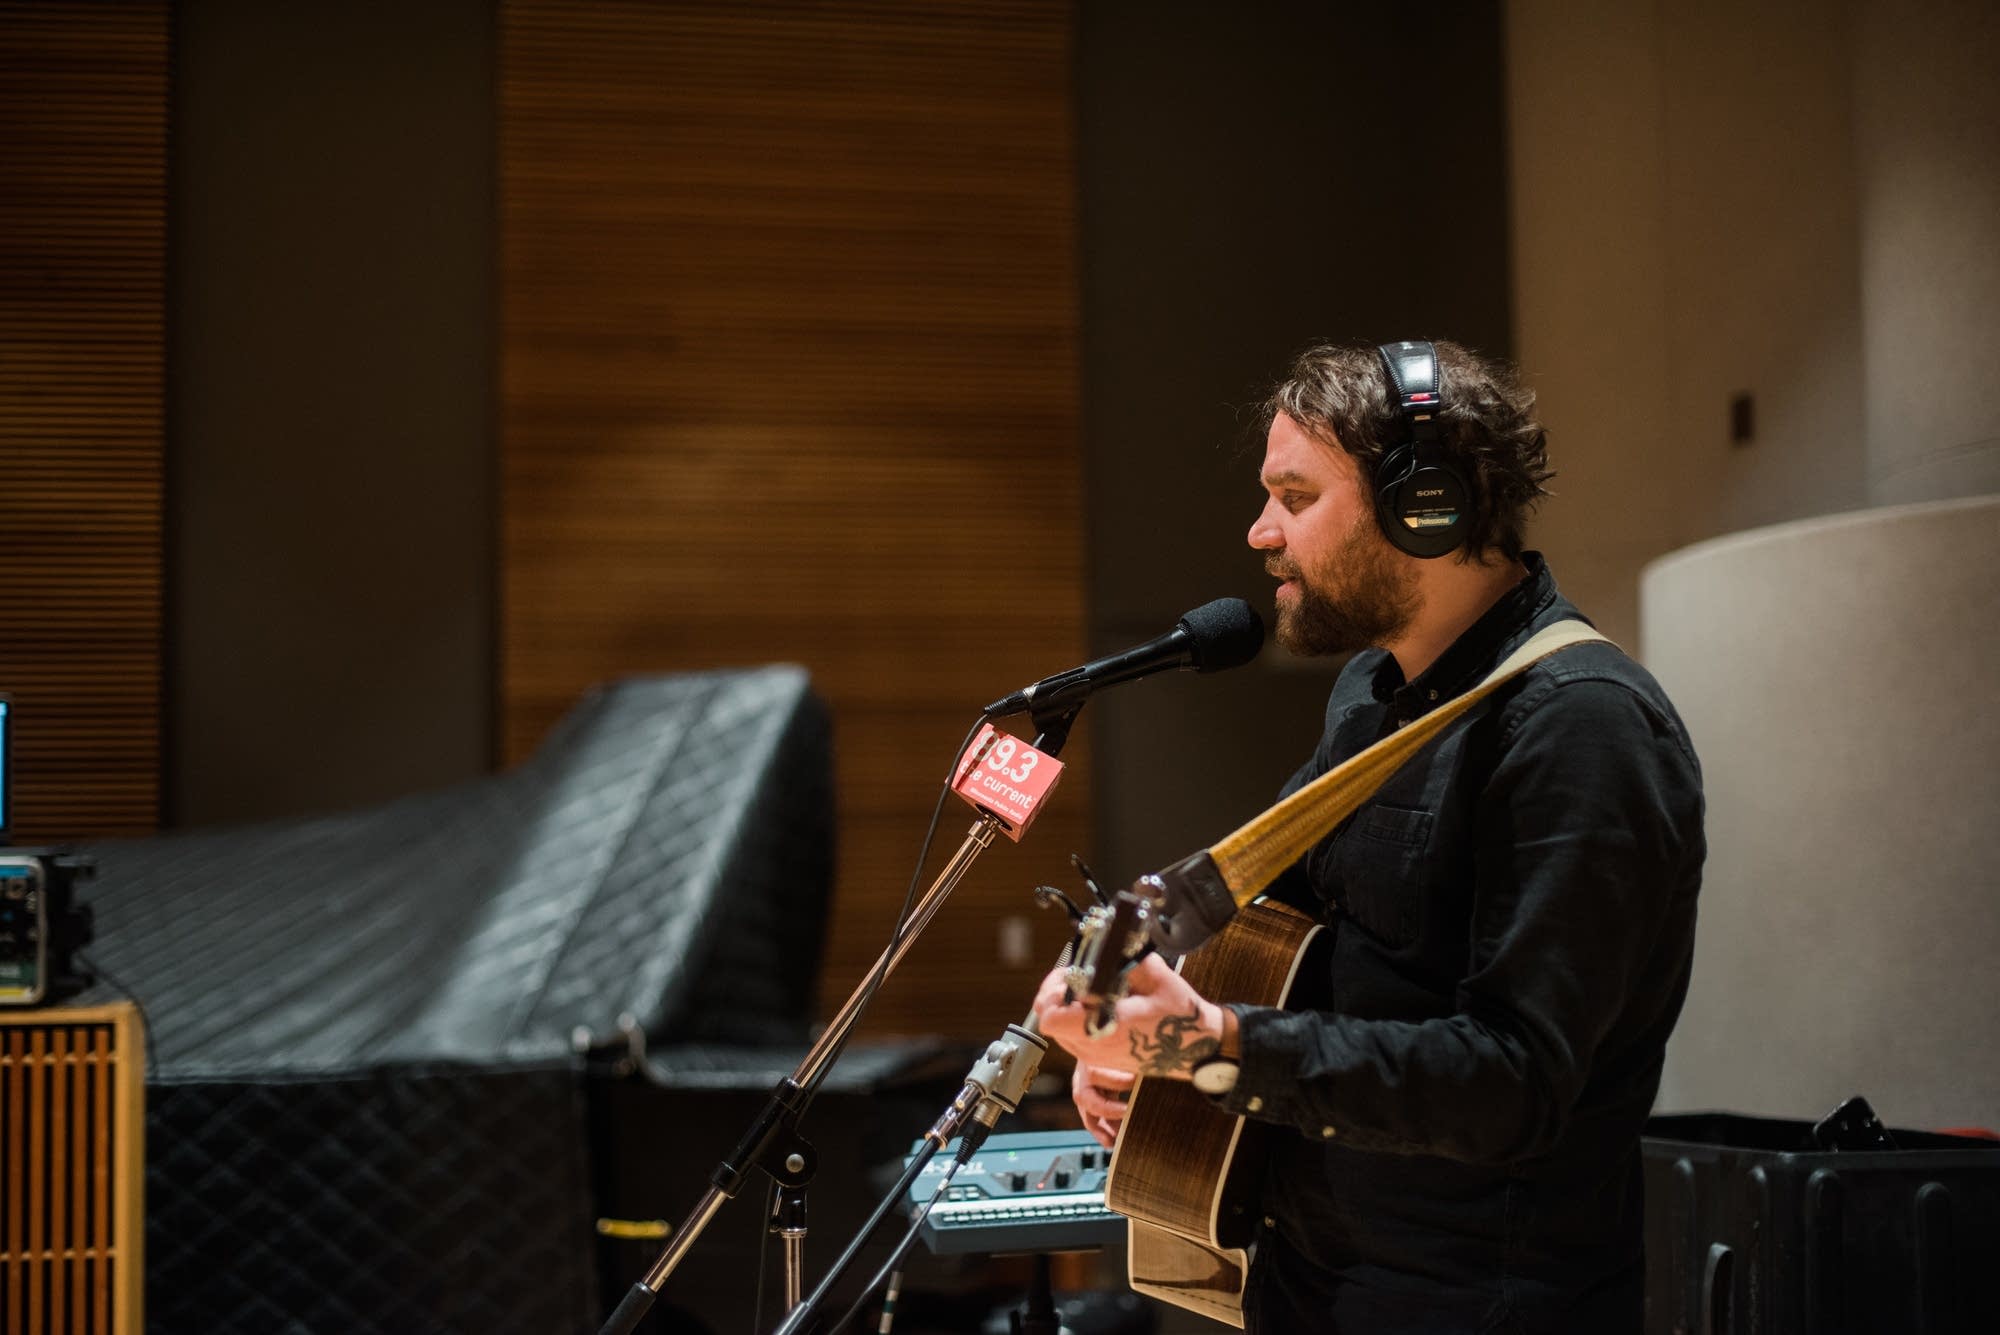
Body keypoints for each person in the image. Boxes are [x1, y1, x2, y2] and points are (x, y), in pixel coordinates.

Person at [1033, 339, 1704, 1333]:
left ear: (1422, 505)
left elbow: (1511, 1082)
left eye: (1294, 498)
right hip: (1313, 1274)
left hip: (1478, 1301)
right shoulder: (1371, 694)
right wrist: (1136, 1008)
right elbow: (1266, 909)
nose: (1260, 532)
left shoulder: (1581, 726)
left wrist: (1204, 1045)